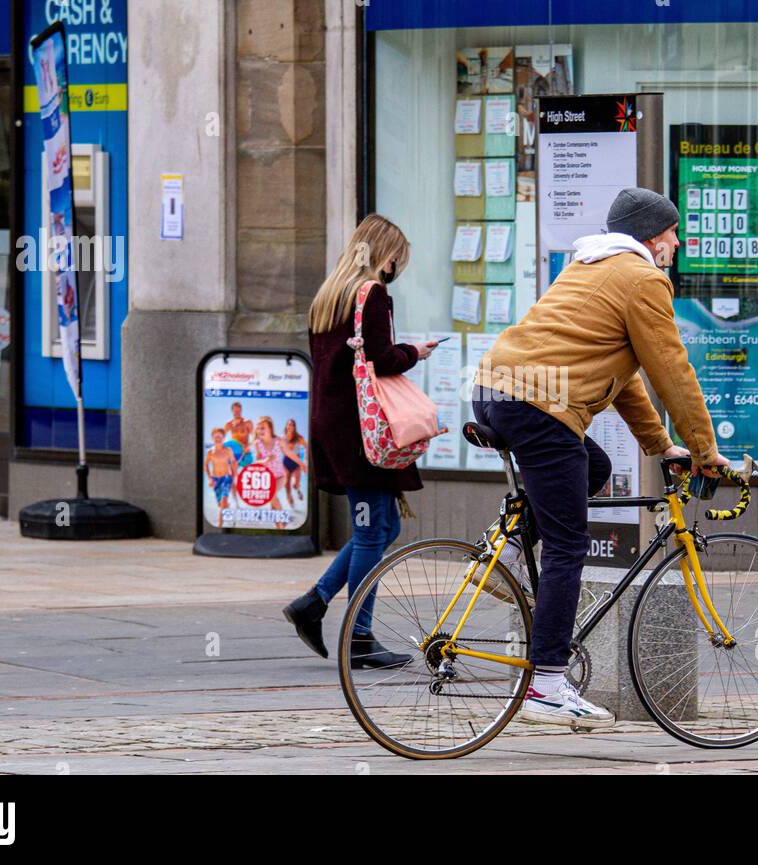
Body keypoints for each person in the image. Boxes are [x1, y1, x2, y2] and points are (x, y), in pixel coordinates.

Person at [472, 187, 730, 728]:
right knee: (568, 545)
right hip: (541, 406)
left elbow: (628, 376)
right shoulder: (642, 279)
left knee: (595, 468)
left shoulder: (588, 265)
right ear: (651, 236)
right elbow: (672, 372)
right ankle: (545, 681)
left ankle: (509, 551)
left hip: (498, 391)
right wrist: (706, 453)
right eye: (672, 233)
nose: (677, 243)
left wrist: (662, 445)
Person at [282, 214, 438, 669]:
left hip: (336, 424)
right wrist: (416, 352)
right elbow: (382, 358)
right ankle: (360, 636)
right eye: (398, 259)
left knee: (385, 527)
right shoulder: (371, 293)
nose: (396, 268)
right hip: (363, 431)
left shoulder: (328, 295)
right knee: (373, 530)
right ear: (387, 253)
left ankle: (315, 601)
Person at [204, 428, 238, 513]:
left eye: (219, 437)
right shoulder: (210, 452)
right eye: (215, 437)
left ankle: (220, 524)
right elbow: (205, 465)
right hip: (215, 479)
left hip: (226, 478)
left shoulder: (228, 450)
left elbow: (234, 462)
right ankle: (229, 513)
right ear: (212, 438)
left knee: (223, 500)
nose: (217, 439)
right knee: (221, 504)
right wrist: (209, 479)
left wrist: (234, 476)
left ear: (223, 438)